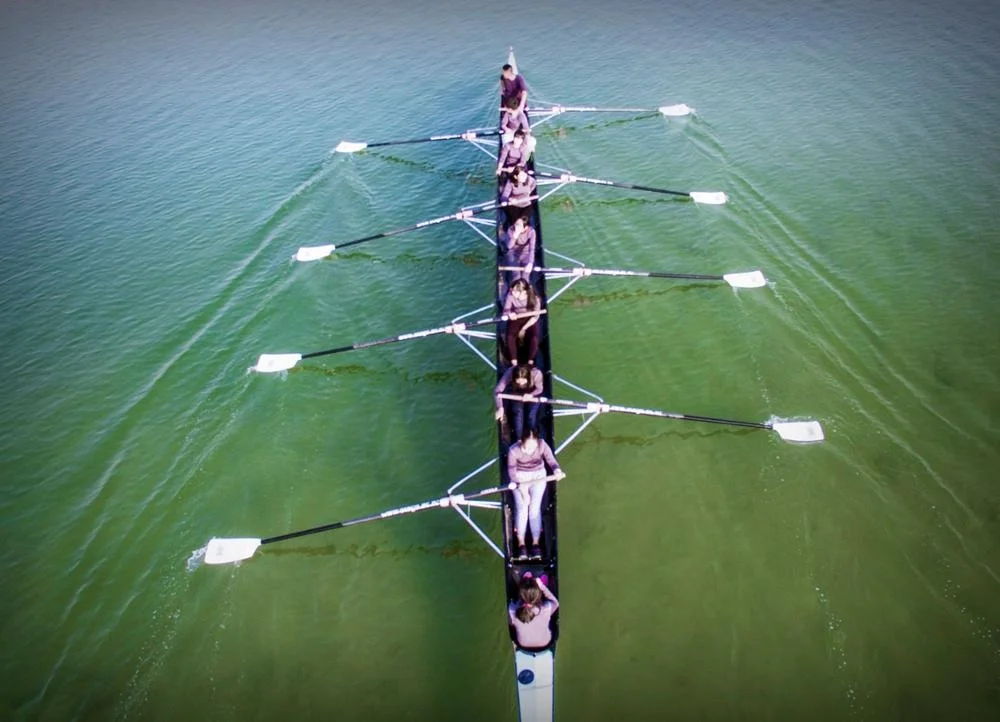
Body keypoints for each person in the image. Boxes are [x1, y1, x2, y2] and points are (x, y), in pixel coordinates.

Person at [507, 427, 564, 558]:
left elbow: (551, 461)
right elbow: (512, 473)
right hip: (520, 478)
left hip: (539, 476)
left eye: (533, 447)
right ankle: (521, 544)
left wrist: (557, 471)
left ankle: (535, 543)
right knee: (522, 508)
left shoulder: (542, 444)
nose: (530, 450)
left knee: (534, 508)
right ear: (521, 442)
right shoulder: (513, 450)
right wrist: (523, 493)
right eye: (527, 447)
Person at [494, 363, 544, 441]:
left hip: (533, 395)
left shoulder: (537, 374)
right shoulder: (510, 372)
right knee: (518, 415)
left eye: (523, 381)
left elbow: (540, 389)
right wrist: (500, 407)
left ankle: (532, 437)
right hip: (516, 394)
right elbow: (497, 391)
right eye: (518, 381)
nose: (521, 384)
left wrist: (530, 395)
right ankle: (519, 439)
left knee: (531, 417)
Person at [508, 574, 559, 648]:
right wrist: (542, 586)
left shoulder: (512, 610)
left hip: (522, 644)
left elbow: (511, 621)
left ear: (520, 596)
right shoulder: (547, 608)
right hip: (546, 642)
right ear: (539, 596)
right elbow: (556, 603)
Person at [502, 278, 541, 366]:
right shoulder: (510, 295)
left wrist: (523, 329)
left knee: (534, 338)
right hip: (516, 317)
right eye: (512, 289)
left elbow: (535, 317)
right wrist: (510, 314)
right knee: (510, 336)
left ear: (524, 292)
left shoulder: (535, 299)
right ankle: (514, 362)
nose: (512, 292)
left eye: (515, 291)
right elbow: (505, 311)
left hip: (530, 319)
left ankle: (530, 362)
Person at [501, 215, 536, 284]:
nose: (515, 226)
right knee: (516, 276)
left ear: (525, 228)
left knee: (525, 276)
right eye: (516, 223)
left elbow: (532, 249)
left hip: (526, 255)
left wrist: (530, 263)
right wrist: (515, 235)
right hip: (513, 254)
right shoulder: (511, 230)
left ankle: (526, 291)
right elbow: (509, 246)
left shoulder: (531, 232)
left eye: (519, 225)